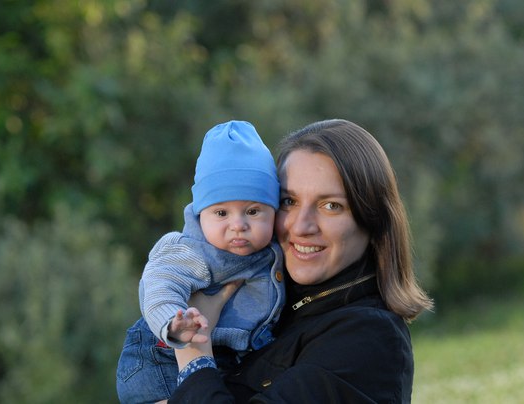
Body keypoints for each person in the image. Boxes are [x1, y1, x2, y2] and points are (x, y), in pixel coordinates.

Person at [169, 118, 434, 403]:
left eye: (331, 206)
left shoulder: (368, 336)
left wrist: (193, 348)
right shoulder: (270, 307)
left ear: (373, 220)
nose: (301, 226)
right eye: (289, 201)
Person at [116, 120, 286, 404]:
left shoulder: (275, 252)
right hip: (162, 357)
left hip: (222, 360)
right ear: (200, 214)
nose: (238, 225)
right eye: (221, 213)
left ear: (274, 211)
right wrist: (173, 324)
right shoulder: (193, 251)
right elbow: (158, 285)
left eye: (253, 211)